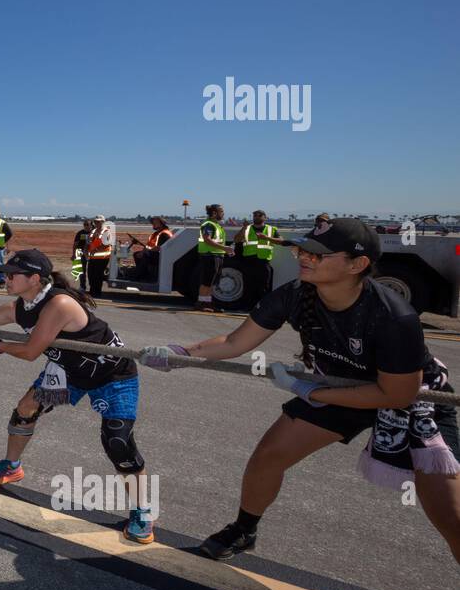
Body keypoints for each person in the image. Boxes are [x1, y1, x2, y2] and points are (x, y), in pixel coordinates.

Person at [139, 218, 460, 563]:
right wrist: (183, 354)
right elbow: (235, 342)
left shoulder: (394, 316)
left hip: (412, 399)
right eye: (303, 249)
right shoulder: (294, 294)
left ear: (357, 265)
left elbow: (395, 395)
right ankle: (245, 529)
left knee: (450, 517)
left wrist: (307, 392)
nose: (304, 257)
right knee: (269, 455)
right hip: (337, 386)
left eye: (318, 254)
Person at [0, 249, 154, 543]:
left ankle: (143, 510)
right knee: (25, 409)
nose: (5, 278)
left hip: (112, 376)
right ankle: (12, 467)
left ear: (34, 279)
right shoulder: (20, 305)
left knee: (117, 440)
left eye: (12, 274)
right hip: (68, 373)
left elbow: (31, 351)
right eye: (4, 273)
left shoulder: (59, 304)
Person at [233, 209, 282, 308]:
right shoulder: (247, 228)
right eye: (255, 215)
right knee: (248, 285)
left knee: (264, 286)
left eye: (260, 215)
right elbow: (237, 239)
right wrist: (243, 228)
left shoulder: (271, 229)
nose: (257, 217)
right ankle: (247, 307)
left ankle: (262, 308)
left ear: (265, 217)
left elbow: (281, 241)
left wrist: (267, 238)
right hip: (248, 262)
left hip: (263, 262)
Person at [195, 204, 229, 311]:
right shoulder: (209, 224)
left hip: (217, 255)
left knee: (212, 282)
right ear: (214, 213)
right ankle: (200, 303)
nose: (223, 213)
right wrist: (225, 248)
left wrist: (224, 250)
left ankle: (207, 303)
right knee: (206, 281)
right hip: (209, 256)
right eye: (221, 211)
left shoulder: (216, 225)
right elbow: (207, 240)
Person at [127, 216, 173, 281]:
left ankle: (138, 275)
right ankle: (143, 274)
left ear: (161, 224)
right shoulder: (155, 234)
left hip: (162, 256)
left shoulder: (164, 234)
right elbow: (148, 245)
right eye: (152, 222)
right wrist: (142, 252)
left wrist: (146, 252)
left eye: (155, 222)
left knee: (146, 255)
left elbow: (159, 248)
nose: (153, 224)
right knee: (137, 254)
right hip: (154, 254)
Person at [84, 215, 113, 298]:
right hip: (92, 258)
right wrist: (86, 251)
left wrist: (95, 250)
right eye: (95, 221)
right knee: (90, 275)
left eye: (99, 221)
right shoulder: (93, 231)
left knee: (98, 275)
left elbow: (106, 244)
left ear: (103, 222)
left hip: (102, 258)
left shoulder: (106, 232)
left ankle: (97, 292)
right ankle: (92, 291)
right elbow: (88, 243)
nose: (97, 223)